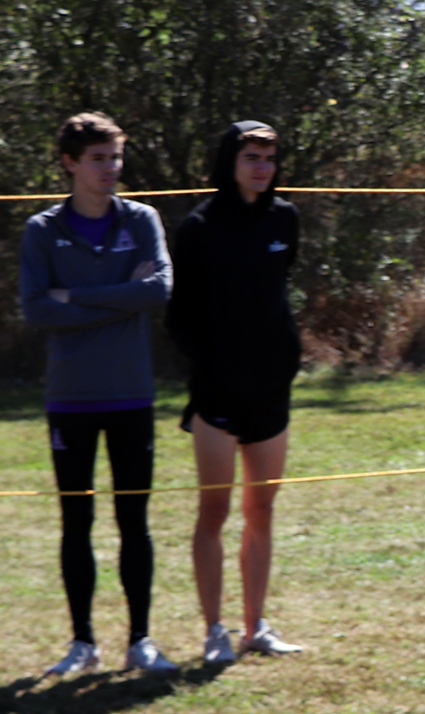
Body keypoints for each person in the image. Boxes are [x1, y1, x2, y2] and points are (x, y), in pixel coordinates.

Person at [20, 113, 177, 678]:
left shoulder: (142, 219)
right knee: (76, 521)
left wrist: (77, 297)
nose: (110, 169)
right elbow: (37, 308)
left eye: (115, 157)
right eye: (98, 159)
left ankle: (140, 640)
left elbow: (159, 289)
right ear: (70, 163)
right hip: (71, 398)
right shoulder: (43, 229)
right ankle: (83, 642)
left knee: (134, 519)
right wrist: (120, 295)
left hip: (131, 394)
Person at [165, 122, 307, 664]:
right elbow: (179, 317)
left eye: (269, 158)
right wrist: (213, 370)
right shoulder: (200, 227)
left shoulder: (285, 218)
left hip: (270, 392)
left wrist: (281, 361)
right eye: (252, 157)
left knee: (262, 509)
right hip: (217, 394)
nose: (262, 167)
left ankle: (256, 626)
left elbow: (276, 292)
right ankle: (214, 631)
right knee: (215, 511)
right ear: (231, 161)